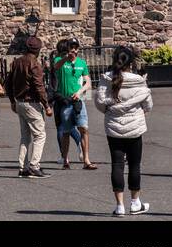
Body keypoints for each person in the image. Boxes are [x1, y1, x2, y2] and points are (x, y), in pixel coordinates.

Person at [95, 45, 153, 216]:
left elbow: (100, 102)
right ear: (131, 63)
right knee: (134, 165)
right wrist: (139, 112)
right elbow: (148, 104)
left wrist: (109, 110)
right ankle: (135, 202)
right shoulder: (139, 81)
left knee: (117, 164)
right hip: (134, 127)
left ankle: (119, 205)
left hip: (113, 126)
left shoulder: (106, 79)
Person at [5, 36, 53, 178]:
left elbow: (8, 83)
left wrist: (12, 101)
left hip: (19, 102)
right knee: (40, 135)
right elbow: (39, 87)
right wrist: (47, 105)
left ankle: (23, 167)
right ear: (38, 50)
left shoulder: (17, 62)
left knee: (25, 136)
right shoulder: (35, 64)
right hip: (31, 102)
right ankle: (34, 166)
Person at [53, 38, 97, 170]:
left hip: (78, 101)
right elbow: (56, 67)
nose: (74, 50)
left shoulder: (82, 63)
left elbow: (88, 82)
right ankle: (65, 159)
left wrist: (80, 91)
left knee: (83, 128)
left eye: (75, 47)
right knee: (66, 131)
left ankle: (86, 160)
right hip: (65, 101)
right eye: (71, 47)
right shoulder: (59, 60)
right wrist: (66, 58)